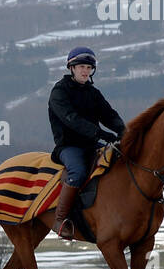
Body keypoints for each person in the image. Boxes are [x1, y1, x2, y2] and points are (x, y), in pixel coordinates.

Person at [48, 46, 125, 240]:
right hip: (69, 146)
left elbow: (109, 114)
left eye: (89, 67)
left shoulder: (93, 93)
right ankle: (60, 219)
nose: (85, 71)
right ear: (71, 68)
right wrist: (100, 133)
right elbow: (71, 119)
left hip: (92, 144)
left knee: (118, 162)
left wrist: (123, 130)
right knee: (78, 172)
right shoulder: (59, 91)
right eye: (81, 66)